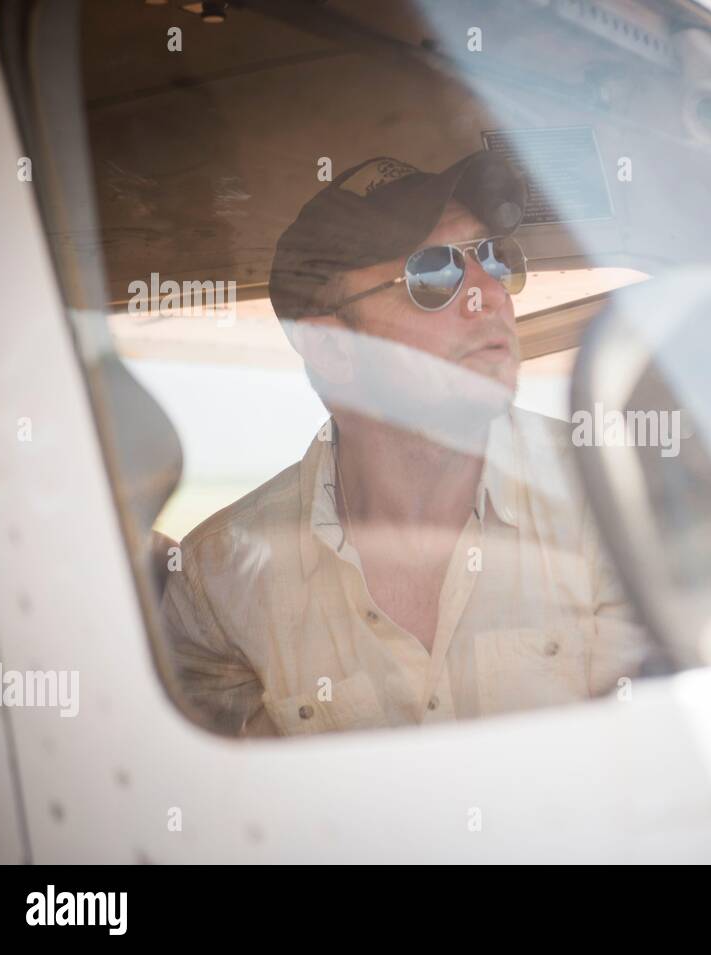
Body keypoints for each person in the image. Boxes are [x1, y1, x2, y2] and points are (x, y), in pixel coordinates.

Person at [160, 152, 652, 736]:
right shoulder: (220, 580)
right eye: (433, 274)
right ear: (332, 348)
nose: (490, 295)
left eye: (494, 258)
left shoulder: (616, 501)